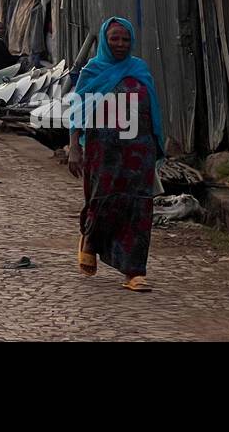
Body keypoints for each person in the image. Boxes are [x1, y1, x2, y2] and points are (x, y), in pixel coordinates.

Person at [68, 16, 163, 292]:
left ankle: (134, 271)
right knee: (103, 201)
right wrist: (75, 146)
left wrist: (157, 143)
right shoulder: (92, 72)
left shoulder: (140, 69)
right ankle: (90, 239)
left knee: (138, 208)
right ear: (105, 41)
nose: (120, 44)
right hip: (103, 152)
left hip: (138, 152)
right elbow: (77, 111)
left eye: (125, 39)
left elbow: (153, 108)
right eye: (114, 39)